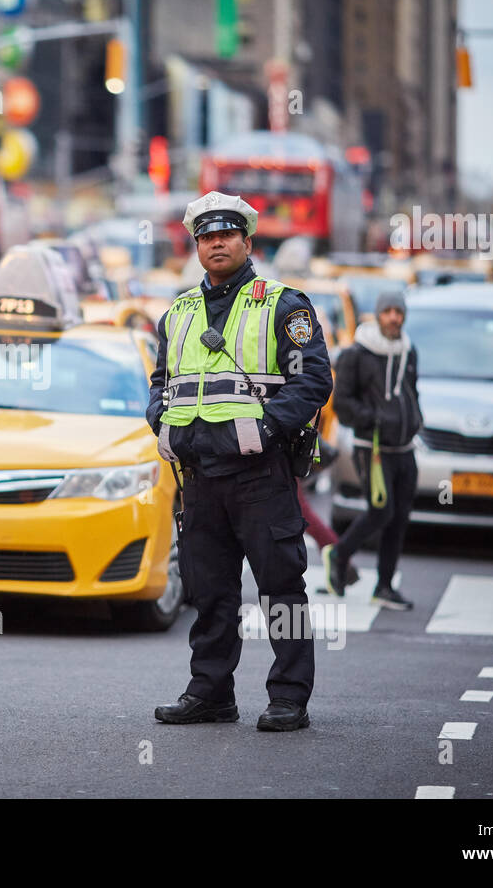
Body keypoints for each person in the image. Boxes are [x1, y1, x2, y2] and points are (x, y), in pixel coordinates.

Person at [148, 191, 333, 731]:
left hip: (260, 475)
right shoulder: (178, 312)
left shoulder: (283, 304)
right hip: (199, 479)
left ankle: (289, 698)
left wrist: (267, 427)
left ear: (247, 241)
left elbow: (313, 380)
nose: (217, 243)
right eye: (207, 237)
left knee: (281, 590)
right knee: (210, 594)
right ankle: (210, 694)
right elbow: (162, 382)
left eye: (227, 234)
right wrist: (159, 420)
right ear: (197, 246)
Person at [324, 289, 422, 610]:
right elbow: (342, 403)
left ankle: (384, 586)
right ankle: (338, 554)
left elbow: (411, 394)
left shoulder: (409, 352)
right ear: (377, 315)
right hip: (373, 448)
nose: (394, 317)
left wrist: (414, 420)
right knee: (382, 510)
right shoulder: (357, 353)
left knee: (399, 518)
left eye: (399, 311)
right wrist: (376, 420)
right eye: (388, 311)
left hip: (405, 448)